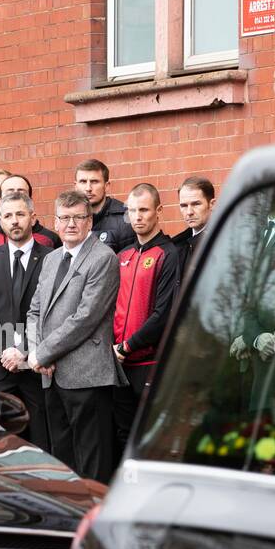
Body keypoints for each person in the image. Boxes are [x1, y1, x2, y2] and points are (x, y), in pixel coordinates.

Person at [25, 189, 124, 483]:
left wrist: (43, 354)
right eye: (64, 218)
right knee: (63, 458)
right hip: (51, 374)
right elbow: (34, 311)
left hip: (87, 375)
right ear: (55, 222)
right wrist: (35, 352)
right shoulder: (52, 259)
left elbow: (85, 318)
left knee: (93, 462)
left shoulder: (103, 258)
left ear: (89, 222)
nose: (71, 224)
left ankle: (93, 521)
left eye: (78, 218)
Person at [0, 190, 52, 451]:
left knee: (41, 441)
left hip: (36, 367)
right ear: (0, 221)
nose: (15, 220)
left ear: (32, 216)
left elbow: (51, 314)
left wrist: (24, 352)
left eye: (20, 214)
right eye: (8, 215)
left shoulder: (51, 259)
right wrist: (7, 350)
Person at [112, 183, 181, 461]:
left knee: (152, 439)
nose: (137, 217)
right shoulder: (123, 255)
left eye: (144, 210)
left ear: (158, 211)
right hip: (118, 364)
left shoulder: (167, 253)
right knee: (123, 436)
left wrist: (128, 346)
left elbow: (163, 314)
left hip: (147, 363)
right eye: (132, 211)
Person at [0, 173, 59, 250]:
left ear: (30, 200)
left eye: (21, 193)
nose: (16, 198)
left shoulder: (50, 239)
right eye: (10, 194)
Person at [76, 158, 132, 251]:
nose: (88, 188)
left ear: (106, 186)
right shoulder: (70, 219)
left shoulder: (125, 218)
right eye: (83, 182)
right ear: (76, 186)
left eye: (94, 182)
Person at [177, 176, 216, 267]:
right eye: (184, 206)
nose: (189, 212)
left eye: (196, 204)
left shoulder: (222, 241)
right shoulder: (177, 245)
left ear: (212, 204)